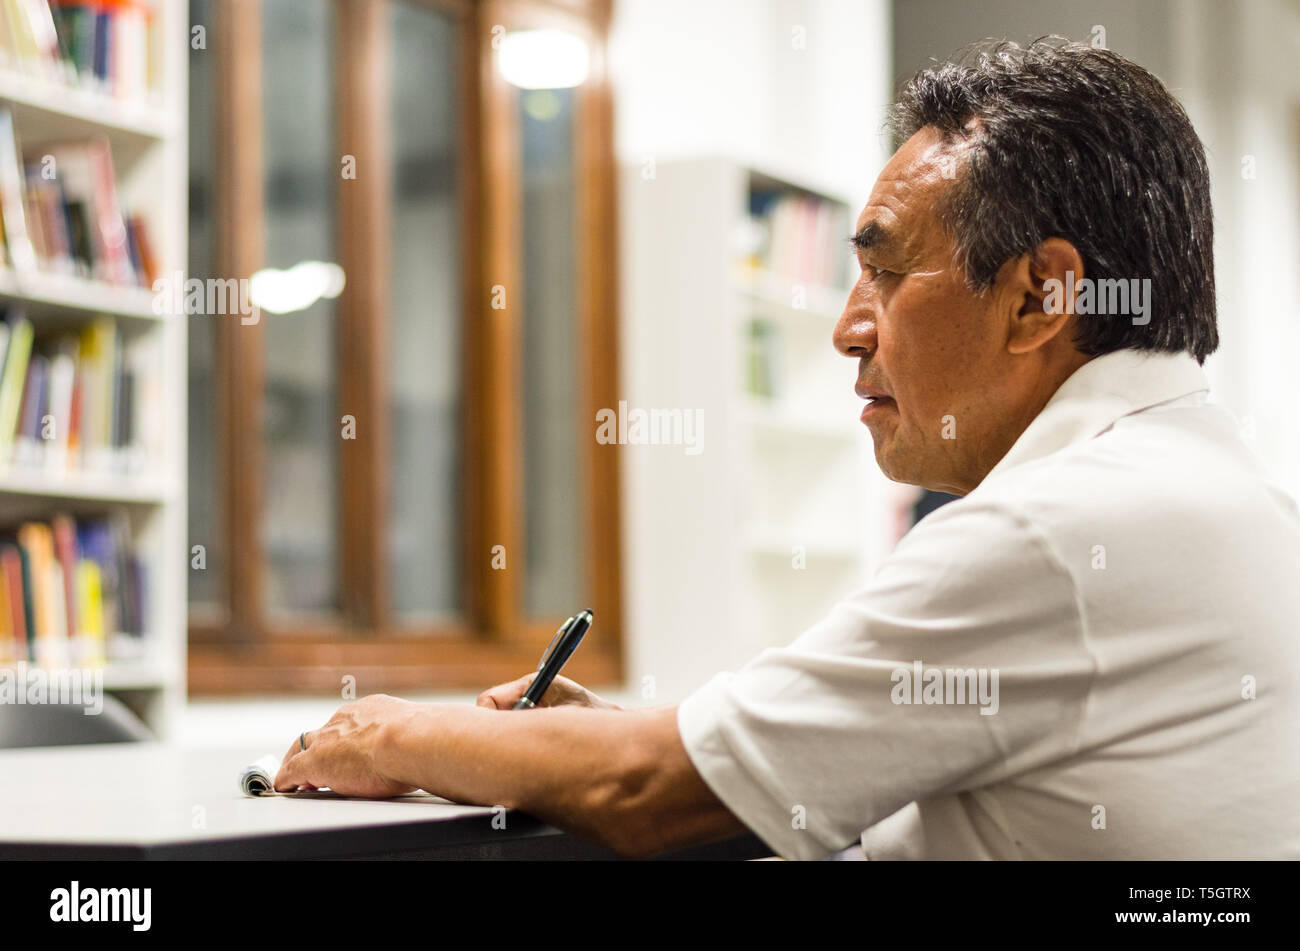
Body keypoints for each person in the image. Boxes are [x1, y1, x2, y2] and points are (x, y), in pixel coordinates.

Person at [275, 39, 1300, 860]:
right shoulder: (1216, 488)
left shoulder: (1054, 530)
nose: (848, 328)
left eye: (889, 274)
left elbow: (645, 793)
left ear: (1041, 294)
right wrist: (602, 740)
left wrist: (387, 734)